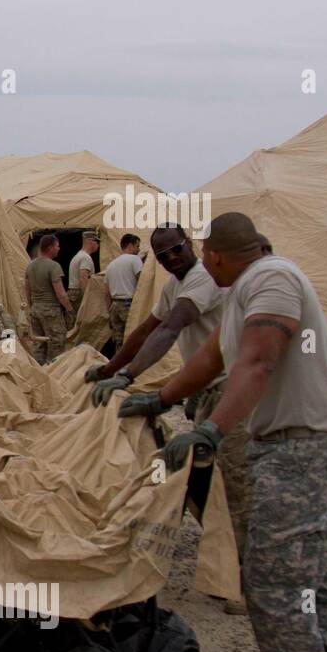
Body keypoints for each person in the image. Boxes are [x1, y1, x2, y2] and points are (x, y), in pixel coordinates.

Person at [126, 213, 327, 652]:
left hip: (301, 448)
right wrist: (156, 397)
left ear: (214, 256)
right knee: (311, 576)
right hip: (292, 446)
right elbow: (209, 359)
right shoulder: (248, 290)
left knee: (276, 578)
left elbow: (258, 364)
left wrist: (210, 431)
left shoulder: (272, 280)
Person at [91, 224, 250, 614]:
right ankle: (226, 564)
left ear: (191, 245)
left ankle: (247, 582)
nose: (170, 258)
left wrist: (128, 377)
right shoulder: (174, 284)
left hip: (233, 392)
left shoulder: (203, 280)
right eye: (162, 255)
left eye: (175, 250)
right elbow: (145, 329)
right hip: (207, 393)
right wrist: (109, 366)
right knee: (205, 478)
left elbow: (170, 327)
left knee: (236, 486)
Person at [24, 233, 74, 363]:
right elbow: (60, 293)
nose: (58, 249)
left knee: (39, 344)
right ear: (50, 247)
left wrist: (32, 307)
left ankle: (39, 372)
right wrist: (69, 309)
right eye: (57, 246)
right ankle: (54, 374)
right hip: (51, 310)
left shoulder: (30, 266)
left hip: (36, 309)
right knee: (56, 344)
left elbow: (27, 291)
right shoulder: (53, 266)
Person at [104, 233, 143, 348]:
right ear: (130, 245)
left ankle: (119, 365)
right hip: (128, 305)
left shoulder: (111, 265)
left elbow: (106, 293)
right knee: (133, 340)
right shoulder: (135, 260)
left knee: (119, 342)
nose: (138, 249)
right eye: (137, 246)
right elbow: (142, 283)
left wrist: (109, 311)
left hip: (114, 306)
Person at [66, 231, 98, 320]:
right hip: (79, 293)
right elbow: (83, 278)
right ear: (91, 241)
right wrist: (87, 297)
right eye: (97, 242)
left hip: (73, 292)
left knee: (72, 321)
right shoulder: (86, 257)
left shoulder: (78, 255)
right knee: (81, 321)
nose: (98, 245)